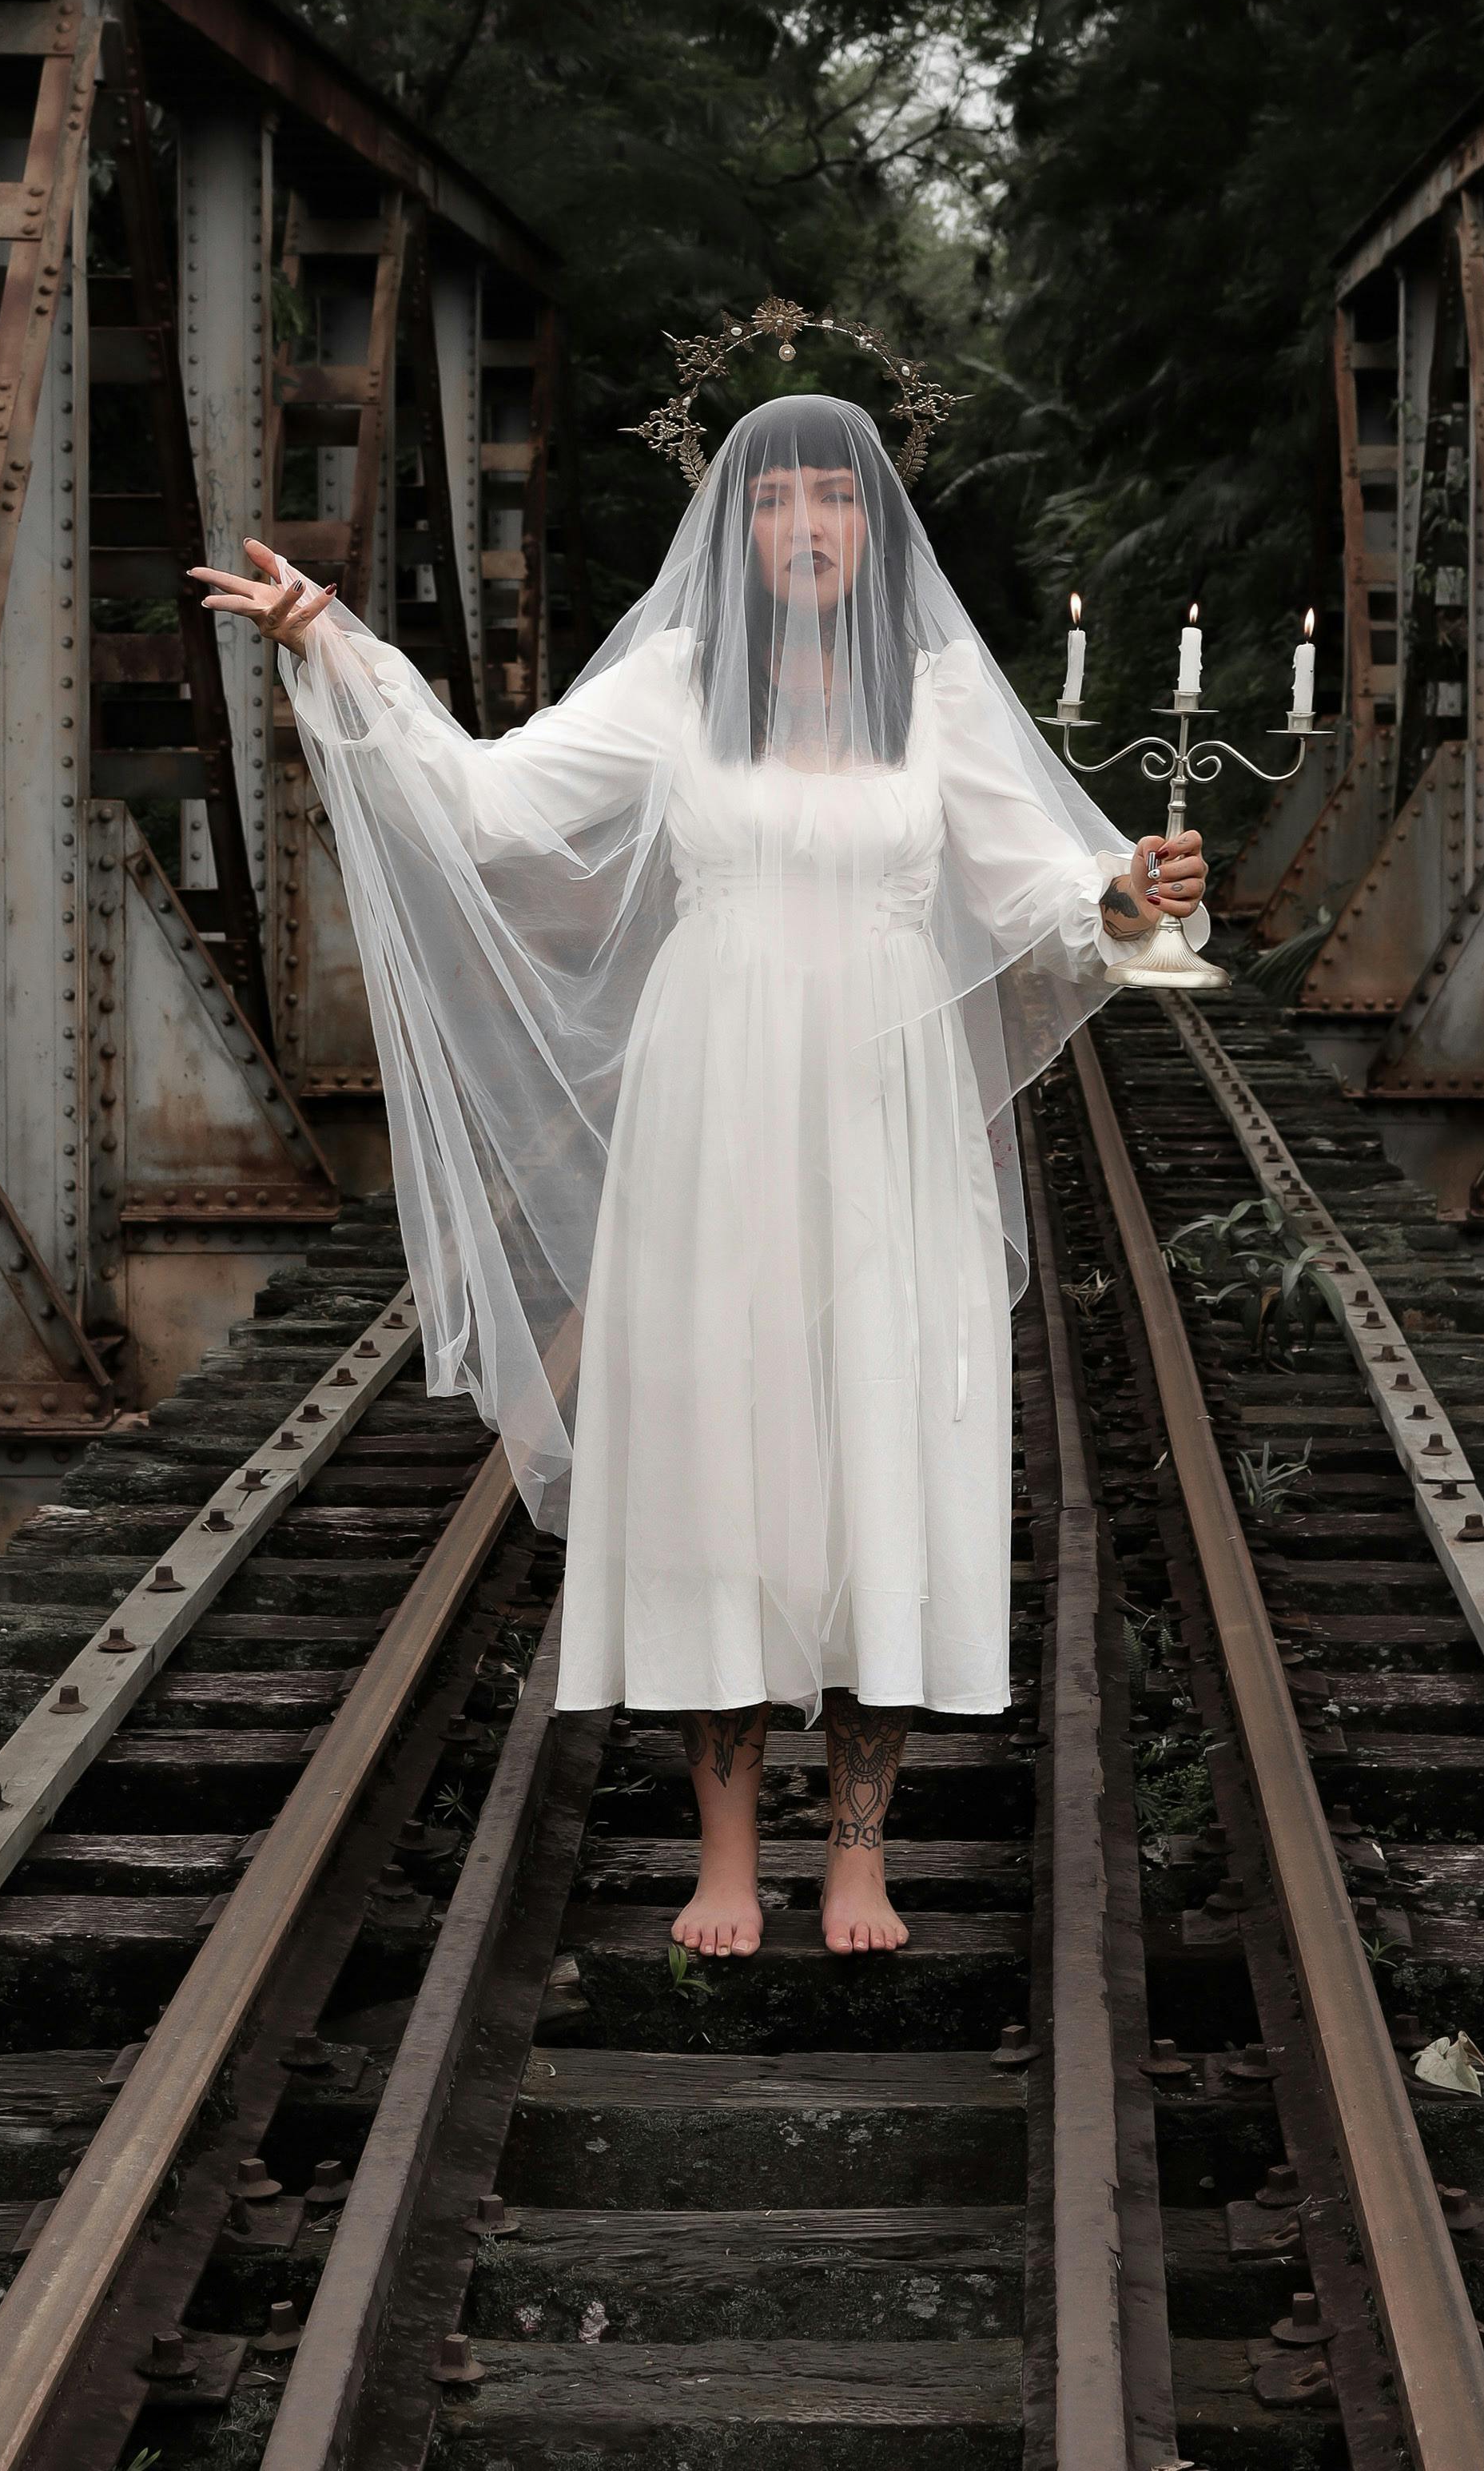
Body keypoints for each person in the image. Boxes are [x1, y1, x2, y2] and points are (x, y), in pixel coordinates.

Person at [196, 368, 1206, 1961]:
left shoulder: (937, 702)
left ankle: (858, 1855)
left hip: (884, 1109)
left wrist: (1140, 898)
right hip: (710, 1107)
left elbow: (1055, 901)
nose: (803, 525)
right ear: (732, 533)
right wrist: (336, 646)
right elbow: (483, 796)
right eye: (771, 499)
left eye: (834, 496)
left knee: (883, 1434)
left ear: (876, 528)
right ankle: (726, 1855)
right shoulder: (672, 686)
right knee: (715, 1451)